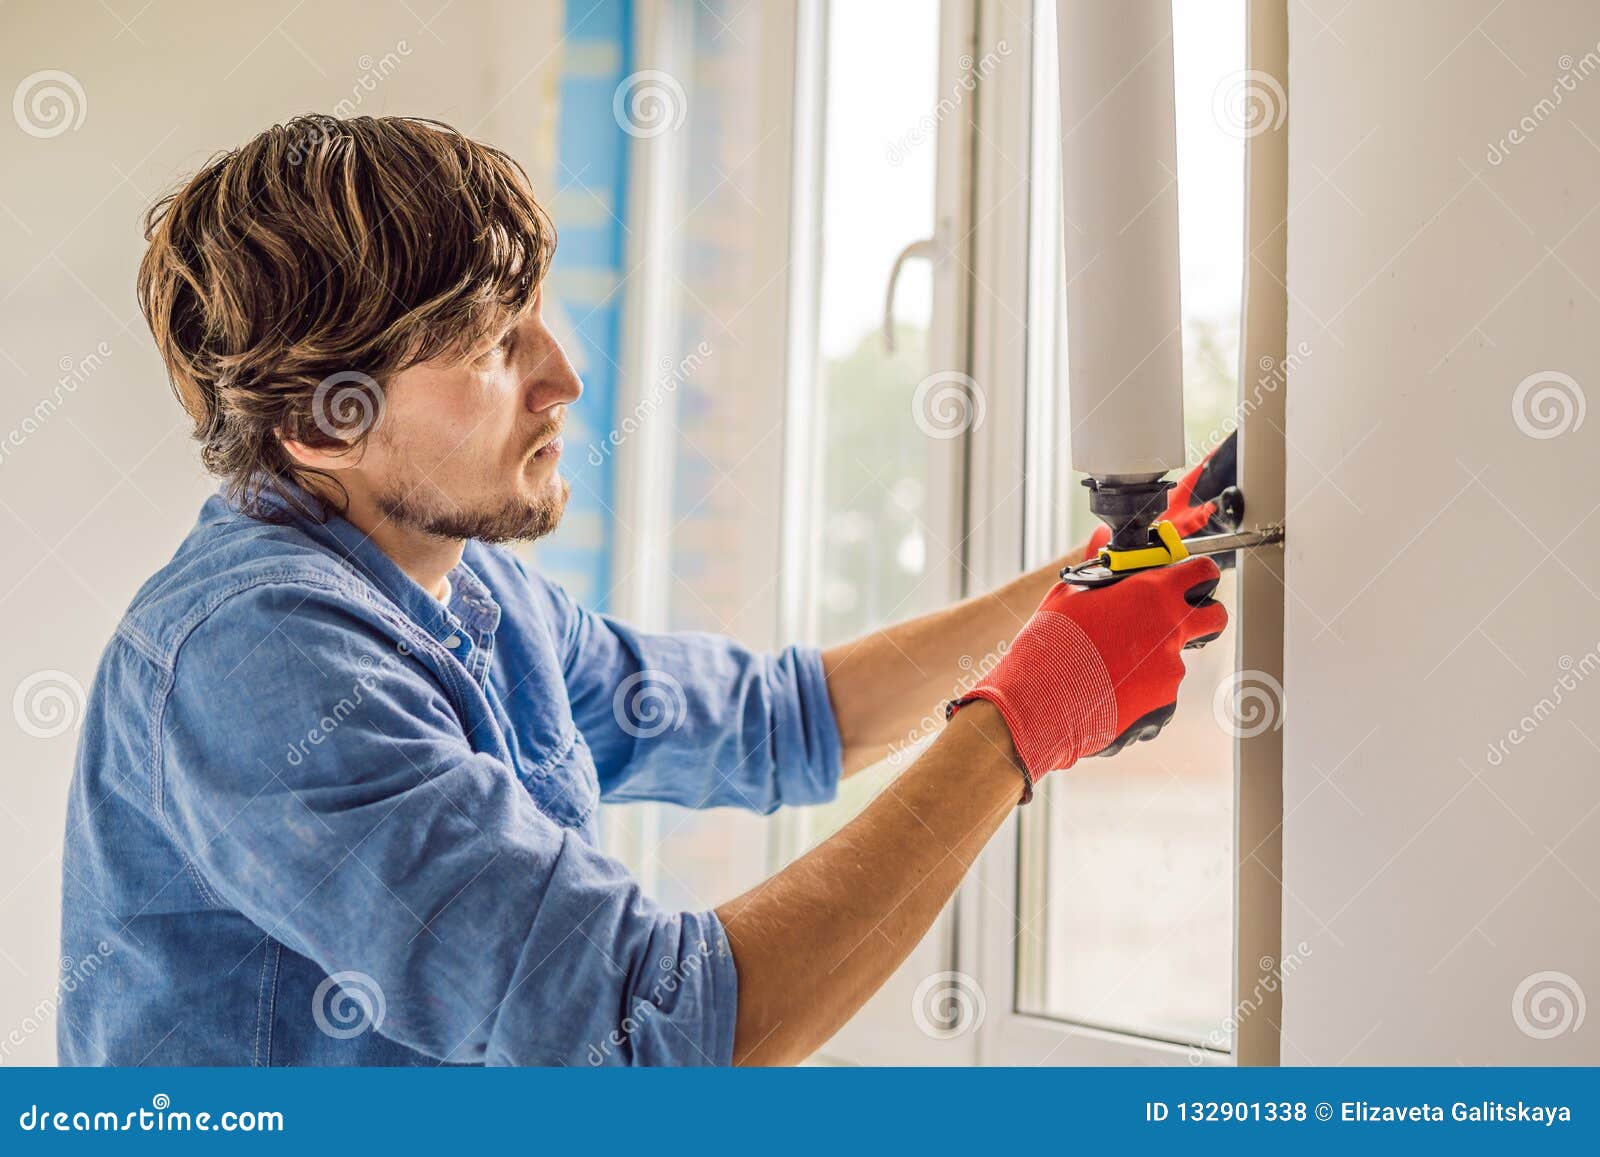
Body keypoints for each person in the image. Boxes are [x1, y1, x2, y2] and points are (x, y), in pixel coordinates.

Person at [58, 116, 1226, 1067]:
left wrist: (1099, 573)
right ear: (325, 422)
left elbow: (786, 721)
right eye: (487, 347)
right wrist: (1034, 713)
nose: (561, 376)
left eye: (533, 317)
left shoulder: (468, 593)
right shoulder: (258, 663)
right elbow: (655, 1033)